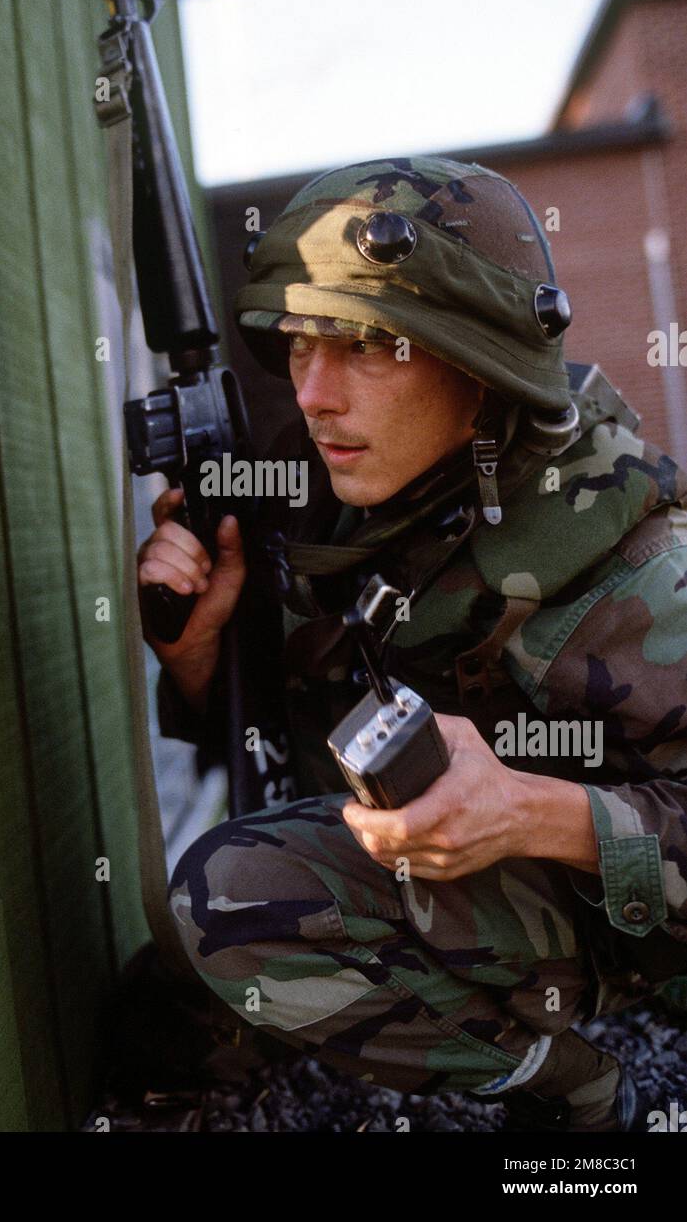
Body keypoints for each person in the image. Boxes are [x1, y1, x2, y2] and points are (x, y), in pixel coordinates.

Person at [137, 156, 687, 1131]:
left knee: (229, 901)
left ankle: (574, 1084)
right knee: (171, 984)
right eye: (299, 345)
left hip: (619, 927)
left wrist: (530, 811)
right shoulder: (342, 495)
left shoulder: (640, 566)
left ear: (478, 359)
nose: (313, 392)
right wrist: (199, 650)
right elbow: (286, 738)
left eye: (363, 345)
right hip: (434, 879)